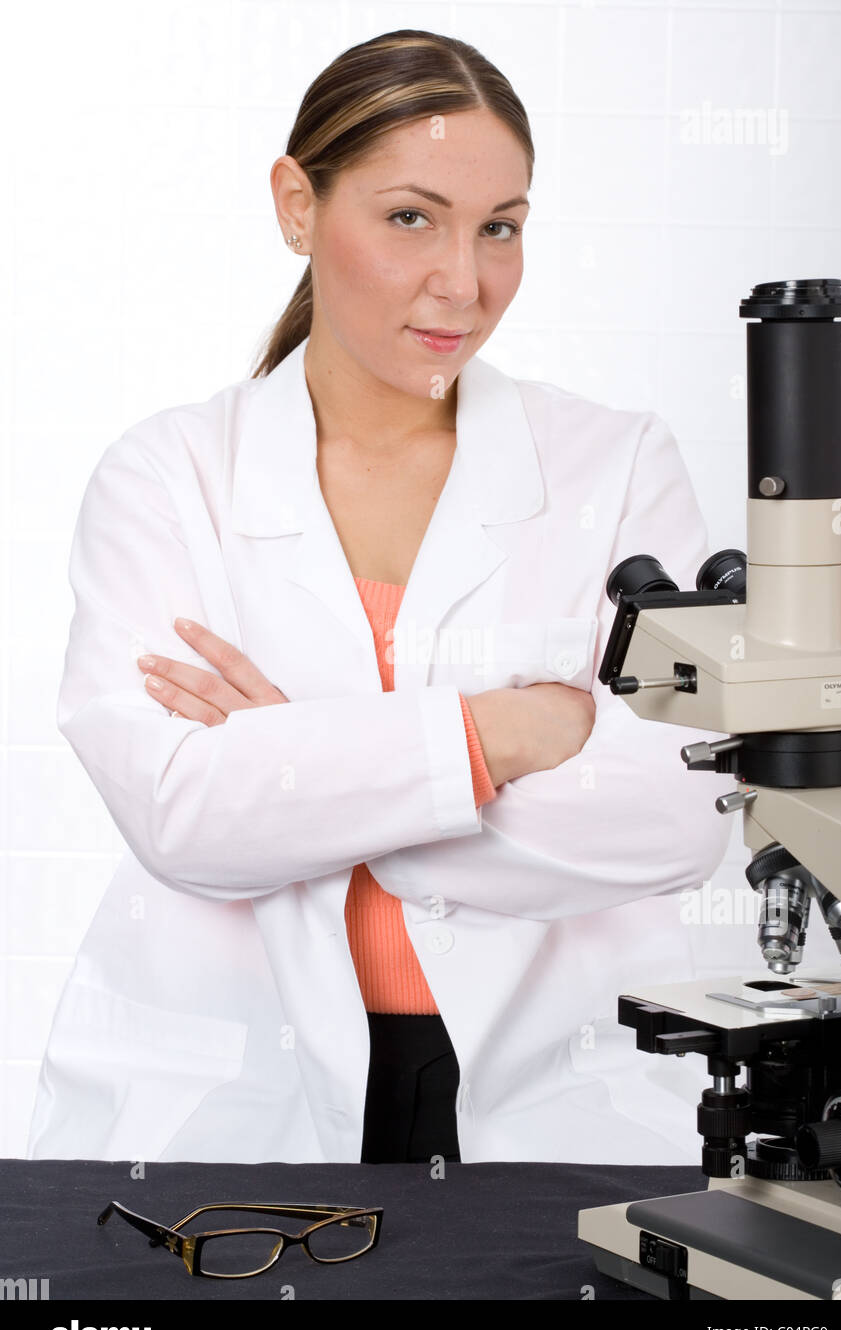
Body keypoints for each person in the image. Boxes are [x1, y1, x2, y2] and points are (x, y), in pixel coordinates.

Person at [27, 29, 733, 1167]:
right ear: (297, 206)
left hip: (562, 1087)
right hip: (231, 1088)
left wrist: (302, 775)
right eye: (411, 217)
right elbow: (182, 815)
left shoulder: (613, 467)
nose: (464, 280)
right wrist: (501, 732)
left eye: (498, 226)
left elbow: (679, 809)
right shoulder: (167, 477)